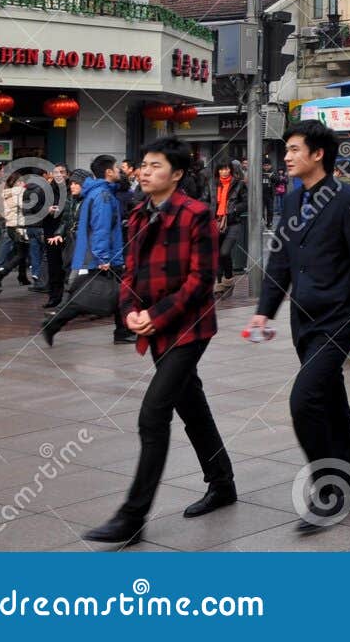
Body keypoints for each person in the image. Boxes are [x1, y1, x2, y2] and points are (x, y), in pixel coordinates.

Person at [81, 138, 235, 545]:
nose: (144, 172)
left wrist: (157, 314)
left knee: (153, 414)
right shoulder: (136, 215)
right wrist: (130, 309)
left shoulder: (196, 215)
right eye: (143, 166)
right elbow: (129, 271)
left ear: (177, 174)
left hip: (189, 328)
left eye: (154, 166)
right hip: (155, 328)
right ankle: (222, 483)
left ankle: (132, 516)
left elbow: (201, 280)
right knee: (192, 405)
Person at [248, 119, 350, 533]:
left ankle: (329, 493)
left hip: (337, 319)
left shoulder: (349, 201)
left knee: (303, 401)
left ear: (317, 154)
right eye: (286, 150)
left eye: (293, 150)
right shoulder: (291, 202)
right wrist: (264, 310)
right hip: (302, 319)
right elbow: (281, 261)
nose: (286, 157)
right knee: (330, 404)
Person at [42, 156, 133, 344]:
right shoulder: (103, 196)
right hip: (102, 256)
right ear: (108, 172)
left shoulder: (99, 193)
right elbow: (101, 228)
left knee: (118, 292)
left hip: (99, 254)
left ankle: (122, 332)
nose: (119, 171)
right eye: (116, 168)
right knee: (85, 297)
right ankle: (52, 324)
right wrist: (103, 258)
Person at [41, 169, 82, 310]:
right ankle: (55, 297)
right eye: (55, 172)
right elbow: (32, 210)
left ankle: (75, 301)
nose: (59, 174)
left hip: (70, 234)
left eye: (62, 172)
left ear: (67, 175)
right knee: (54, 266)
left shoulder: (74, 191)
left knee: (71, 268)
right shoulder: (46, 191)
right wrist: (47, 210)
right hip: (52, 232)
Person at [208, 160, 248, 295]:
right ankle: (219, 283)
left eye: (226, 169)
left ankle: (229, 278)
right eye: (221, 169)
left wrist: (235, 209)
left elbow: (246, 202)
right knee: (218, 254)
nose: (224, 172)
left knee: (224, 252)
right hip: (215, 222)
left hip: (232, 223)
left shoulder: (239, 184)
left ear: (231, 170)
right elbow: (205, 200)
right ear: (217, 171)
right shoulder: (212, 184)